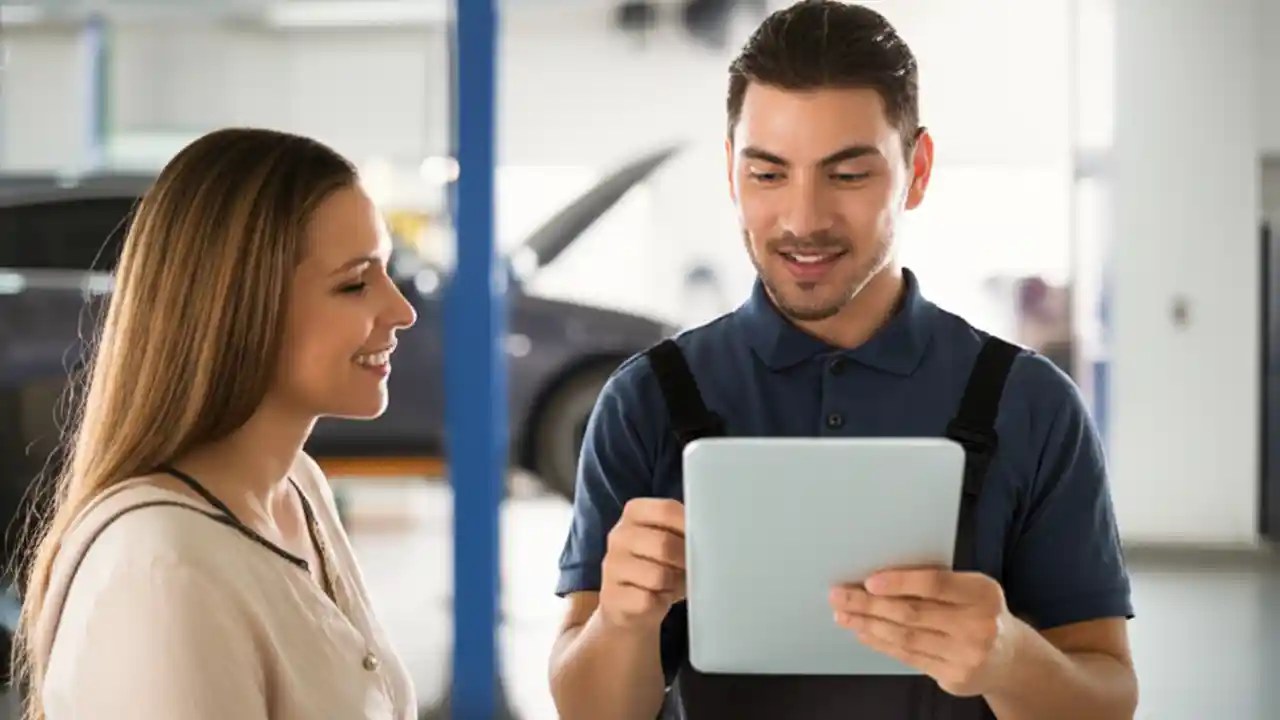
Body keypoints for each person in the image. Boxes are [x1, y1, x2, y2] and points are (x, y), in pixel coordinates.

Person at [547, 2, 1138, 719]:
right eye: (768, 174)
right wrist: (621, 621)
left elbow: (1106, 699)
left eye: (848, 175)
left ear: (916, 171)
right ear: (732, 174)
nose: (803, 219)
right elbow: (588, 710)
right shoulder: (644, 400)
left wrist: (1007, 657)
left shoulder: (1031, 404)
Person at [11, 127, 419, 719]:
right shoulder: (162, 566)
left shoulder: (299, 489)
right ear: (240, 306)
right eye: (354, 284)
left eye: (384, 271)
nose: (400, 310)